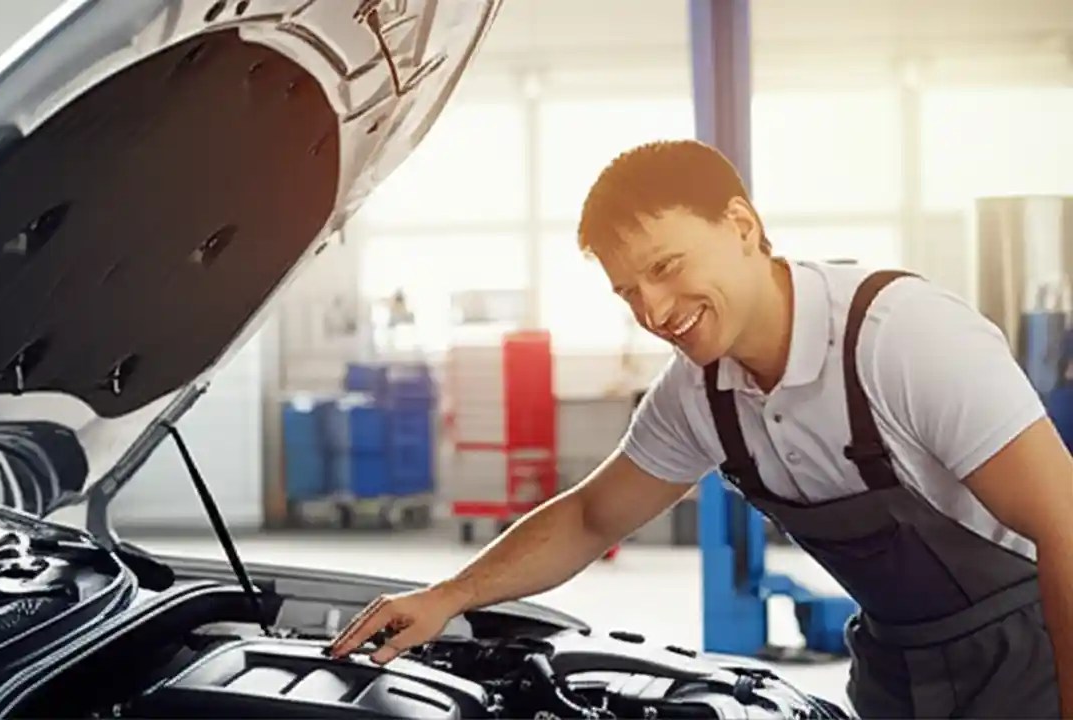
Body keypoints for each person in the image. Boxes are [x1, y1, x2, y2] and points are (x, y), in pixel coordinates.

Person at [327, 139, 1073, 718]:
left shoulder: (899, 336)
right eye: (628, 291)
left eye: (667, 265)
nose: (653, 311)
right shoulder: (701, 393)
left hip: (1035, 655)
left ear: (743, 226)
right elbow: (590, 517)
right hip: (896, 665)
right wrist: (449, 594)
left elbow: (1065, 526)